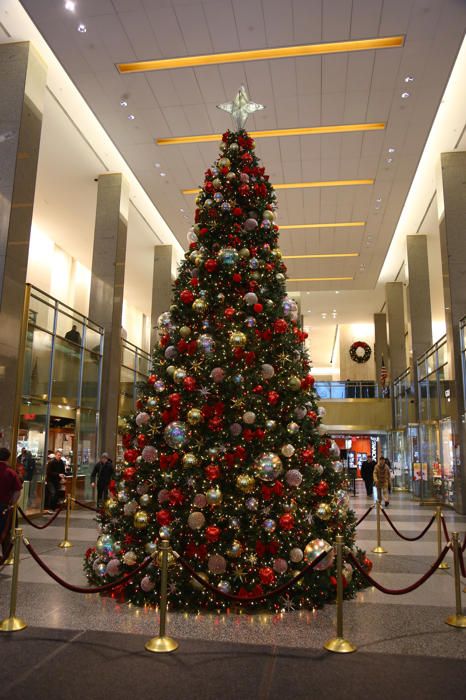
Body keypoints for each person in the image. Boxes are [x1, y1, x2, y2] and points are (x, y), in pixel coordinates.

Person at [0, 447, 22, 559]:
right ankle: (6, 556)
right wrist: (12, 504)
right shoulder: (11, 472)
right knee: (6, 531)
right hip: (4, 506)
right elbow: (17, 491)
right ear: (8, 457)